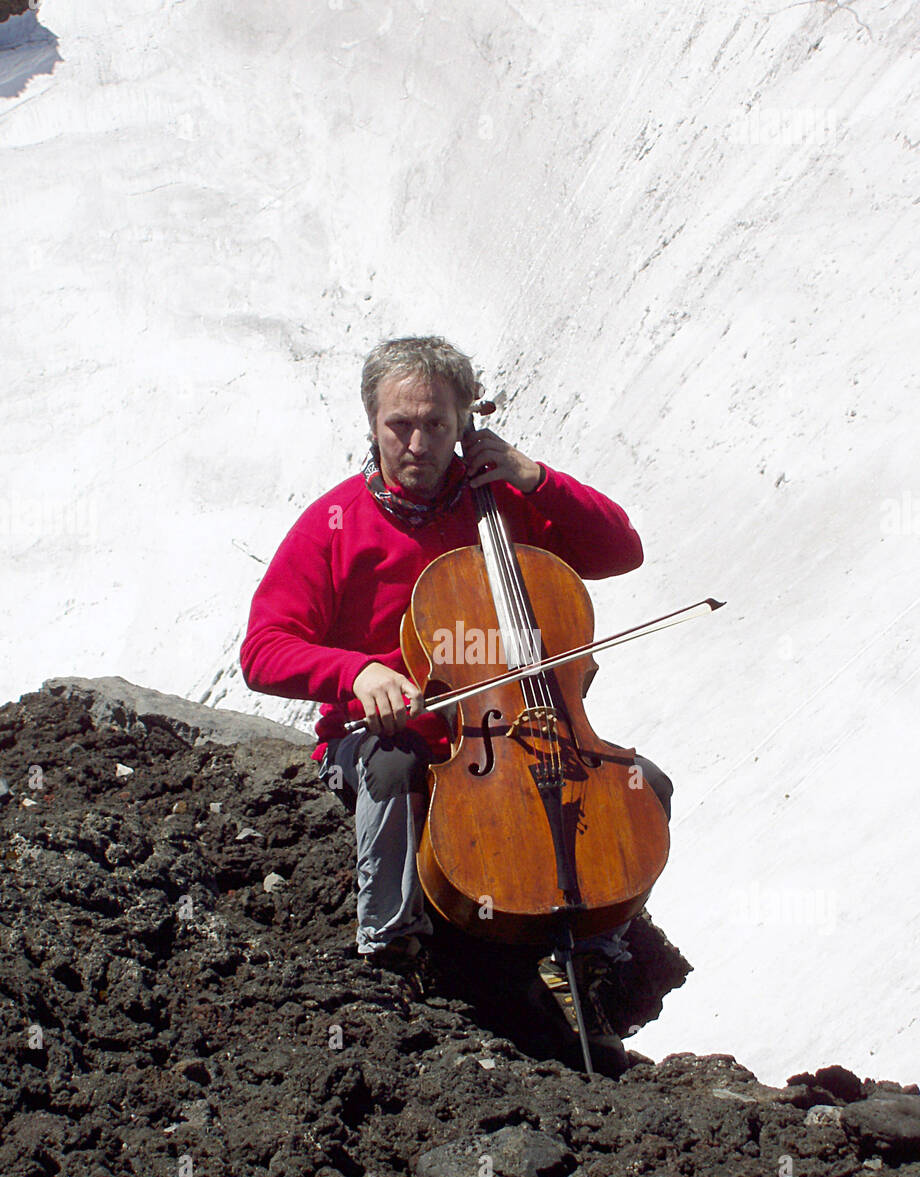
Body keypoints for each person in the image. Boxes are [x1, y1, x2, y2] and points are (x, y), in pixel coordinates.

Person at [240, 335, 673, 1075]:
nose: (416, 442)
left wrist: (534, 477)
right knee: (395, 766)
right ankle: (392, 948)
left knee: (643, 785)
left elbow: (618, 551)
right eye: (398, 425)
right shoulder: (334, 523)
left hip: (517, 722)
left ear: (463, 421)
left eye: (435, 424)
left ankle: (596, 954)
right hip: (385, 734)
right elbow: (263, 649)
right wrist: (355, 674)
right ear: (371, 423)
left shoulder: (500, 502)